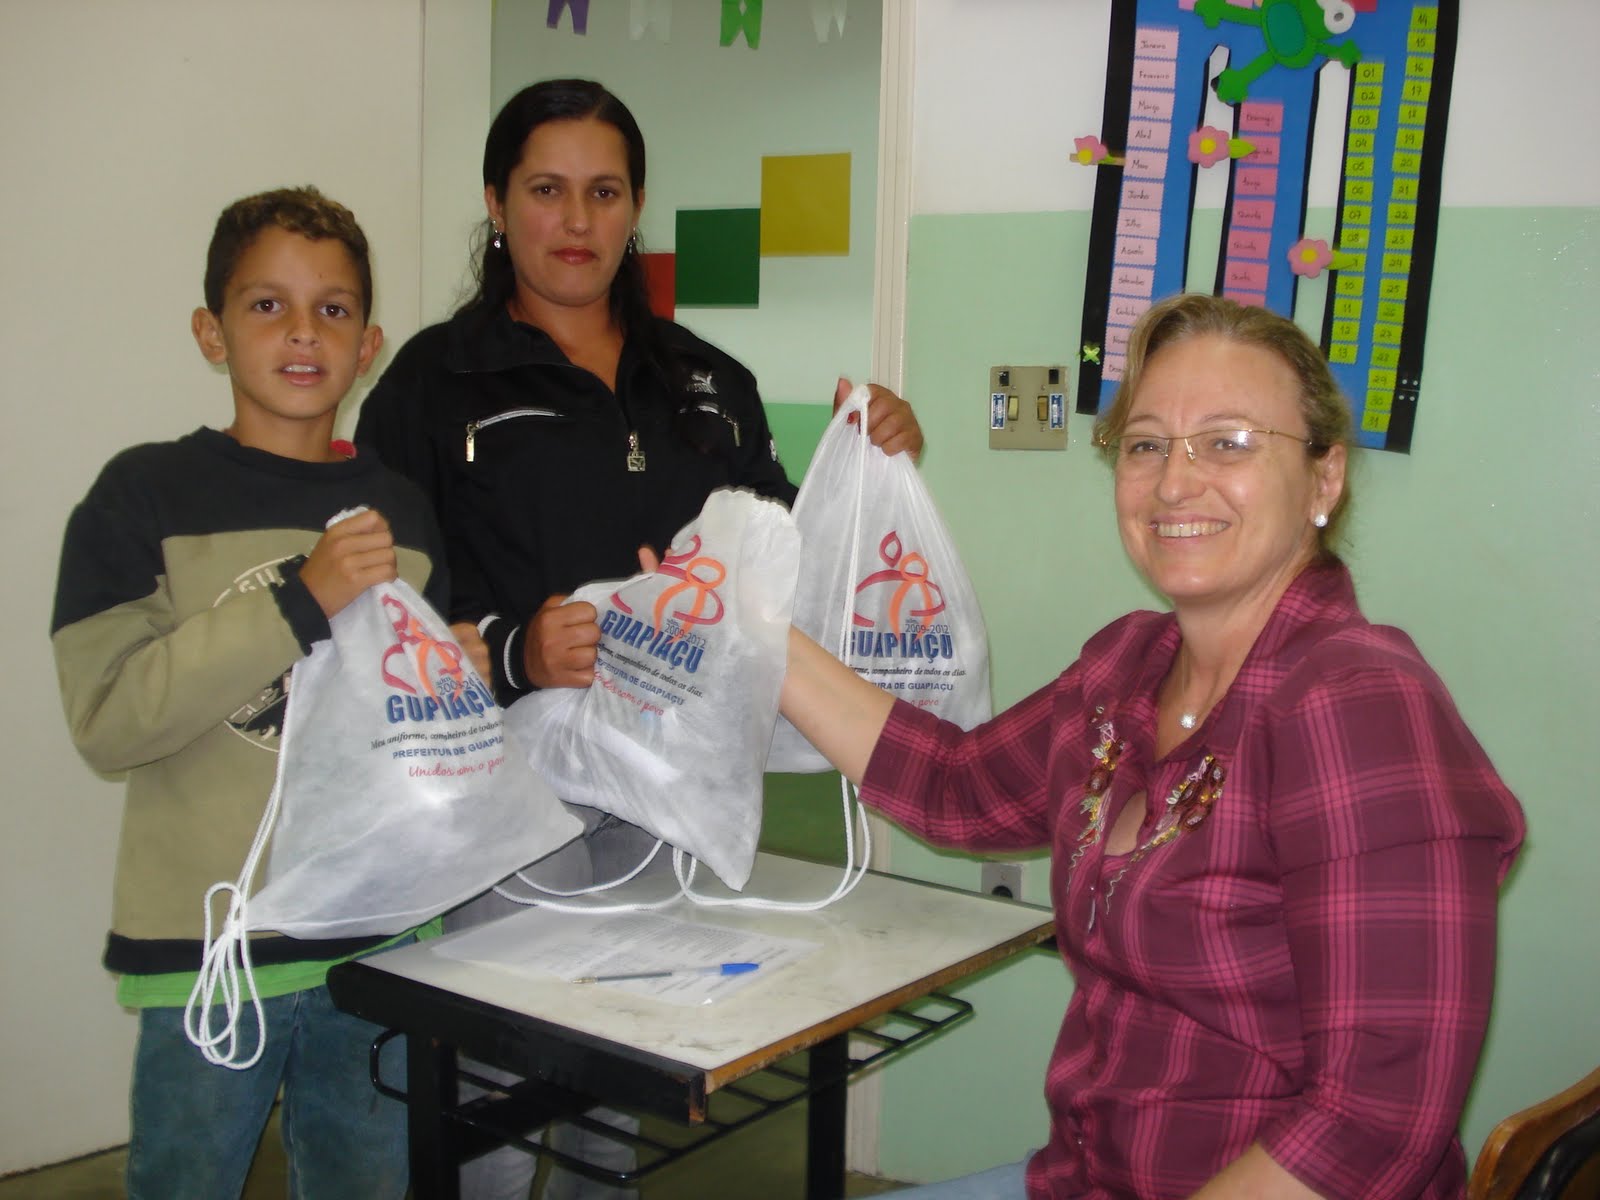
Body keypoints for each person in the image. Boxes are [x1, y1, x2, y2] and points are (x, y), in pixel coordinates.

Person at [780, 293, 1526, 1200]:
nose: (1175, 482)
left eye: (1229, 441)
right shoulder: (1126, 667)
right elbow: (957, 787)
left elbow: (1373, 1127)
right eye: (1145, 445)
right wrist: (753, 636)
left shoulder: (1358, 703)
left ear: (1325, 480)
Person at [354, 78, 922, 1199]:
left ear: (636, 205)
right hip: (509, 787)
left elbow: (782, 563)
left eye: (603, 193)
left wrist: (874, 460)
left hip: (670, 779)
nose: (577, 222)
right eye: (547, 191)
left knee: (621, 1069)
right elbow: (388, 606)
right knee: (499, 1091)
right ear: (497, 201)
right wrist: (518, 649)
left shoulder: (708, 382)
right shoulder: (433, 380)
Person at [51, 187, 446, 1200]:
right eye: (267, 305)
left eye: (335, 309)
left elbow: (416, 723)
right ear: (210, 331)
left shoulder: (404, 509)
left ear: (371, 345)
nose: (304, 333)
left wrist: (467, 681)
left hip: (380, 941)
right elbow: (111, 718)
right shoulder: (142, 495)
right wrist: (298, 600)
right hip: (210, 955)